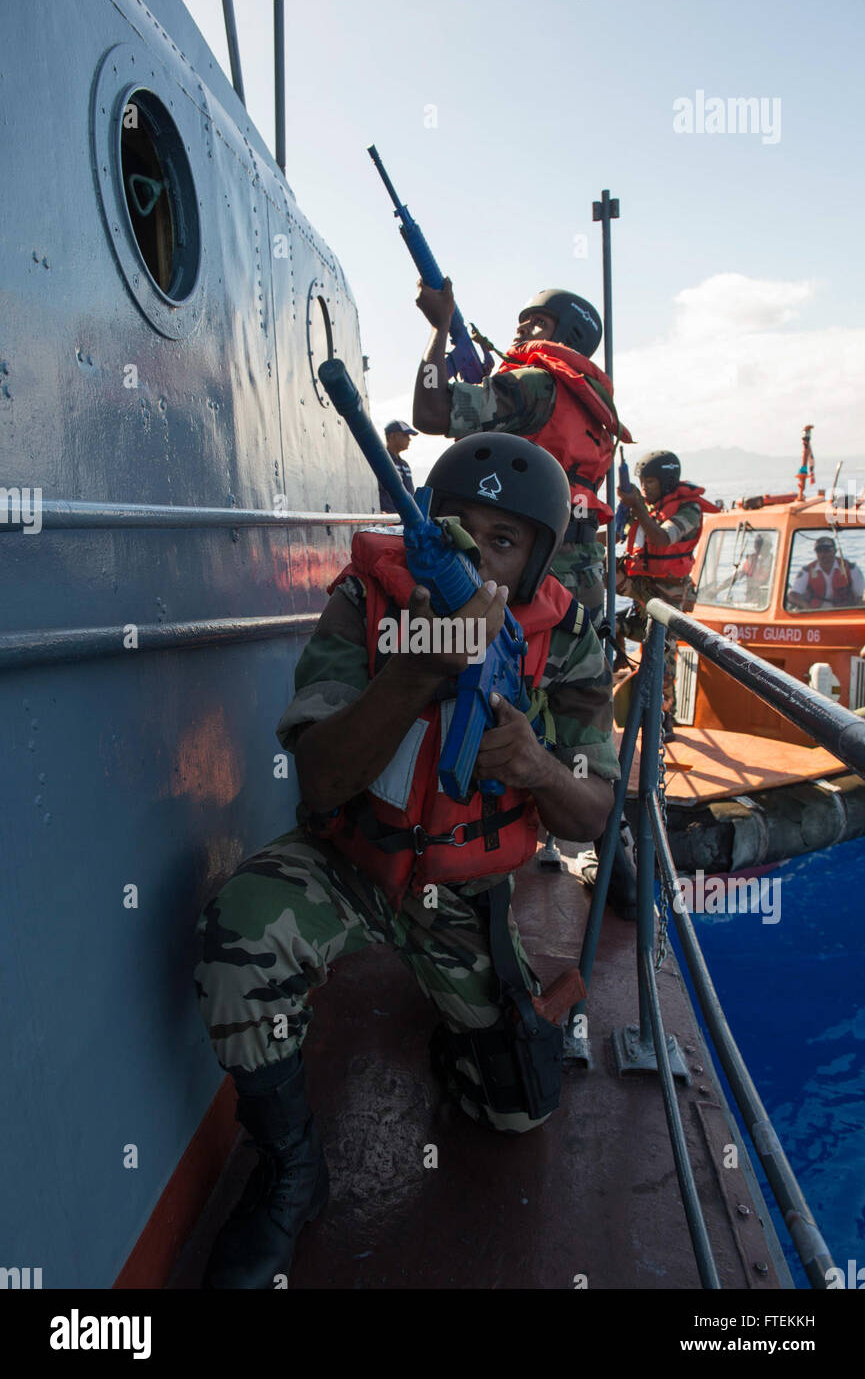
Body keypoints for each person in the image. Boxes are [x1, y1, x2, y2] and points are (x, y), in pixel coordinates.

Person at [194, 432, 619, 1289]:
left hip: (463, 889)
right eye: (454, 527)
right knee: (241, 936)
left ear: (537, 560)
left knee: (516, 1108)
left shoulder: (568, 639)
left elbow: (594, 816)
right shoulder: (367, 600)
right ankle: (290, 1169)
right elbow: (320, 778)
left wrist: (537, 767)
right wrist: (416, 671)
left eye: (502, 541)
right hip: (350, 860)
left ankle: (458, 1031)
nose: (473, 553)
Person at [411, 279, 632, 627]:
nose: (523, 328)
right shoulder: (596, 411)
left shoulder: (536, 383)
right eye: (523, 320)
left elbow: (430, 412)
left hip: (529, 570)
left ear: (568, 335)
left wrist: (439, 327)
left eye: (539, 322)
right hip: (585, 573)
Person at [616, 451, 718, 737]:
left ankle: (663, 719)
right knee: (603, 592)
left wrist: (637, 505)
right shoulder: (650, 509)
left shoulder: (688, 510)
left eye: (650, 482)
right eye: (642, 483)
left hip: (669, 596)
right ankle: (619, 662)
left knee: (662, 654)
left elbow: (662, 538)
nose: (645, 488)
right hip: (643, 589)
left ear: (667, 481)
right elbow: (617, 536)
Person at [787, 536, 864, 611]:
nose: (823, 554)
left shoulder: (851, 569)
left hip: (844, 613)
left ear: (835, 551)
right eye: (819, 551)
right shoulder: (806, 571)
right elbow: (792, 596)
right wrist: (806, 607)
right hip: (815, 613)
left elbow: (862, 595)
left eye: (827, 550)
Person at [378, 419, 417, 513]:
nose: (409, 439)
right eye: (405, 435)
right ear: (392, 436)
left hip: (406, 516)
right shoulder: (381, 462)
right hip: (390, 516)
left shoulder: (405, 465)